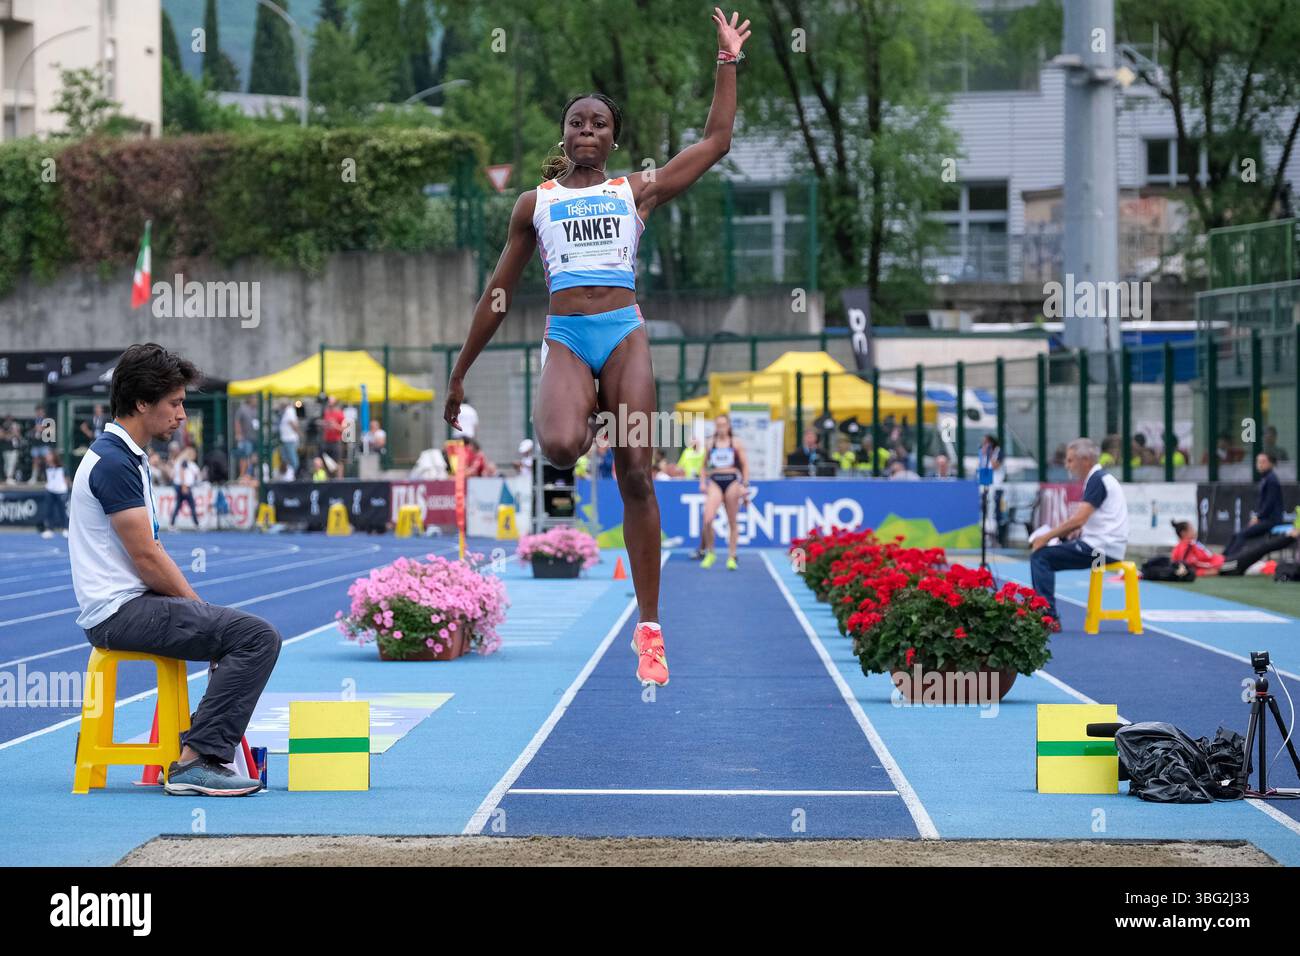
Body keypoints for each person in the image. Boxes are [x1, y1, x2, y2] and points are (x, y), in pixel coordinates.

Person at [441, 9, 748, 689]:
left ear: (614, 139)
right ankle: (596, 413)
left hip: (623, 335)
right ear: (565, 134)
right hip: (569, 338)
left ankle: (650, 629)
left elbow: (718, 140)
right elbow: (497, 295)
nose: (587, 130)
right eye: (577, 122)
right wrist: (459, 374)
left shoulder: (636, 189)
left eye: (599, 124)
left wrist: (727, 62)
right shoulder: (536, 203)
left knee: (636, 474)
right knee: (557, 447)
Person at [68, 343, 280, 796]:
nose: (182, 415)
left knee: (233, 629)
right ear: (143, 402)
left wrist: (202, 616)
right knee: (256, 637)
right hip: (119, 612)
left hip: (125, 605)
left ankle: (193, 752)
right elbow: (147, 557)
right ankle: (197, 760)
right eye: (175, 403)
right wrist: (197, 607)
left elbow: (147, 555)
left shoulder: (124, 456)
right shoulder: (113, 462)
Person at [1030, 437, 1129, 622]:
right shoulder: (1100, 478)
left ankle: (1047, 617)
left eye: (1070, 460)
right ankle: (1044, 613)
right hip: (1106, 548)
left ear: (1086, 460)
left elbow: (1079, 520)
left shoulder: (1097, 480)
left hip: (1101, 552)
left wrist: (1045, 537)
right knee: (1050, 552)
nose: (1067, 465)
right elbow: (1086, 522)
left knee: (1041, 556)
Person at [696, 413, 748, 570]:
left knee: (732, 520)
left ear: (729, 426)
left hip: (731, 480)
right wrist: (702, 482)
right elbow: (703, 466)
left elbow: (745, 465)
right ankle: (711, 552)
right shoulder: (710, 443)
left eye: (723, 425)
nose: (721, 428)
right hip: (715, 481)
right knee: (707, 518)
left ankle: (732, 556)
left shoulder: (735, 443)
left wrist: (744, 484)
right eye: (718, 425)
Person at [1171, 519, 1297, 577]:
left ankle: (1290, 538)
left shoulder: (1188, 544)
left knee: (1255, 554)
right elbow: (1188, 565)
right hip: (1225, 567)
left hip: (1223, 560)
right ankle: (1291, 536)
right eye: (1191, 528)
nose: (1195, 530)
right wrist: (1207, 572)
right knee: (1260, 549)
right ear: (1184, 533)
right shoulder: (1185, 547)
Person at [1225, 452, 1284, 558]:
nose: (1260, 464)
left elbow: (1269, 503)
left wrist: (1258, 517)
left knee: (1242, 535)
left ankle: (1231, 559)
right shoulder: (1266, 478)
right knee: (1237, 534)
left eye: (1263, 462)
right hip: (1265, 519)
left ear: (1270, 463)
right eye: (1258, 462)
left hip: (1271, 521)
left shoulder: (1272, 480)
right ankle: (1222, 558)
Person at [41, 449, 69, 538]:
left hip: (61, 491)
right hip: (50, 491)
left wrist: (66, 488)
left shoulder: (62, 467)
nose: (47, 457)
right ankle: (49, 529)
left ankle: (65, 529)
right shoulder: (46, 467)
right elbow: (46, 478)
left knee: (62, 511)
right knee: (48, 511)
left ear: (54, 457)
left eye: (49, 455)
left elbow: (67, 479)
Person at [170, 447, 200, 529]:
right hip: (184, 486)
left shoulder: (180, 461)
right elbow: (182, 473)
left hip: (180, 485)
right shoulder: (184, 462)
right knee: (191, 504)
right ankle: (196, 524)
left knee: (179, 505)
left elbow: (173, 475)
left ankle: (172, 524)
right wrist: (184, 485)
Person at [233, 397, 258, 478]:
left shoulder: (257, 409)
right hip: (246, 438)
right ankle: (242, 475)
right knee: (245, 456)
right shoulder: (242, 409)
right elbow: (237, 422)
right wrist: (238, 434)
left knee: (254, 457)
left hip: (256, 438)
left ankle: (250, 474)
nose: (256, 400)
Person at [320, 396, 345, 478]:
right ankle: (329, 479)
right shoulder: (326, 413)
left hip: (336, 441)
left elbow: (344, 429)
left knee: (338, 461)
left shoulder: (340, 414)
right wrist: (324, 425)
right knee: (326, 461)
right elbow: (324, 426)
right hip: (327, 440)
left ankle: (339, 480)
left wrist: (335, 426)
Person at [278, 402, 301, 475]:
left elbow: (293, 424)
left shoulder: (290, 410)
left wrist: (298, 433)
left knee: (292, 460)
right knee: (285, 459)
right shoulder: (287, 411)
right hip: (286, 439)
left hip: (289, 439)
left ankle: (294, 475)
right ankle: (288, 475)